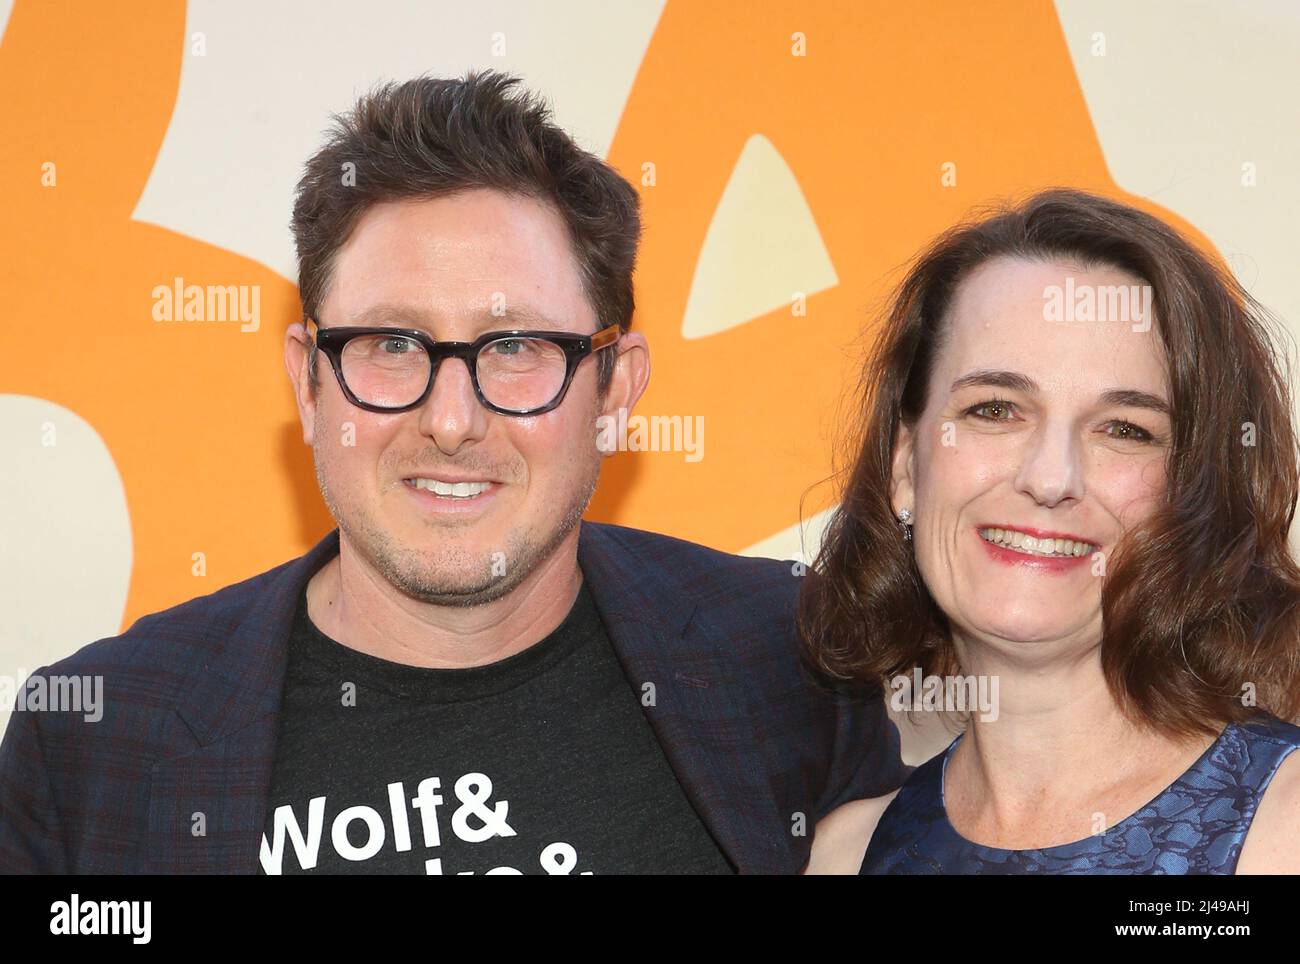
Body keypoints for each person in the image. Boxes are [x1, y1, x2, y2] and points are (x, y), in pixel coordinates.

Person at [0, 70, 908, 875]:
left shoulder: (793, 664)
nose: (449, 421)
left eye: (515, 347)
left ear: (615, 388)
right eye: (392, 344)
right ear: (306, 381)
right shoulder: (91, 745)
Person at [799, 188, 1300, 874]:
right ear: (906, 467)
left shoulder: (1286, 825)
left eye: (1125, 430)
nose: (1050, 476)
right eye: (995, 410)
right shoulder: (846, 855)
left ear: (1195, 494)